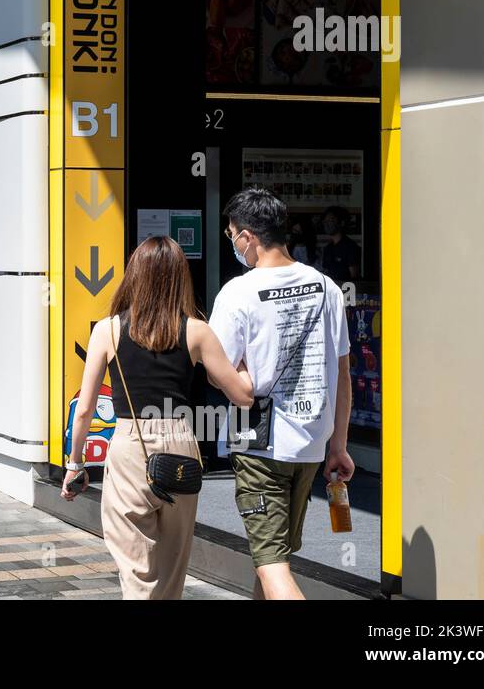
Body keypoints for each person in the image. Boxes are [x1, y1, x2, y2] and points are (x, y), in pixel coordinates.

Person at [61, 236, 255, 599]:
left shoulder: (108, 329)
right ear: (180, 277)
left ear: (135, 274)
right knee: (172, 567)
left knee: (136, 567)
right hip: (181, 442)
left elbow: (85, 408)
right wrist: (243, 367)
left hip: (130, 444)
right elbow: (242, 396)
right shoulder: (196, 330)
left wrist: (75, 464)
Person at [212, 187, 353, 600]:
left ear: (248, 237)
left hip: (258, 443)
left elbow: (222, 371)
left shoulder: (238, 292)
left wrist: (236, 370)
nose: (233, 243)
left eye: (232, 234)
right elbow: (342, 373)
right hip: (310, 444)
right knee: (273, 558)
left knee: (272, 565)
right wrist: (338, 445)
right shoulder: (326, 287)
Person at [319, 206, 361, 286]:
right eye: (325, 221)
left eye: (331, 220)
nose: (327, 224)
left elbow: (354, 277)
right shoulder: (327, 248)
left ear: (341, 222)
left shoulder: (350, 247)